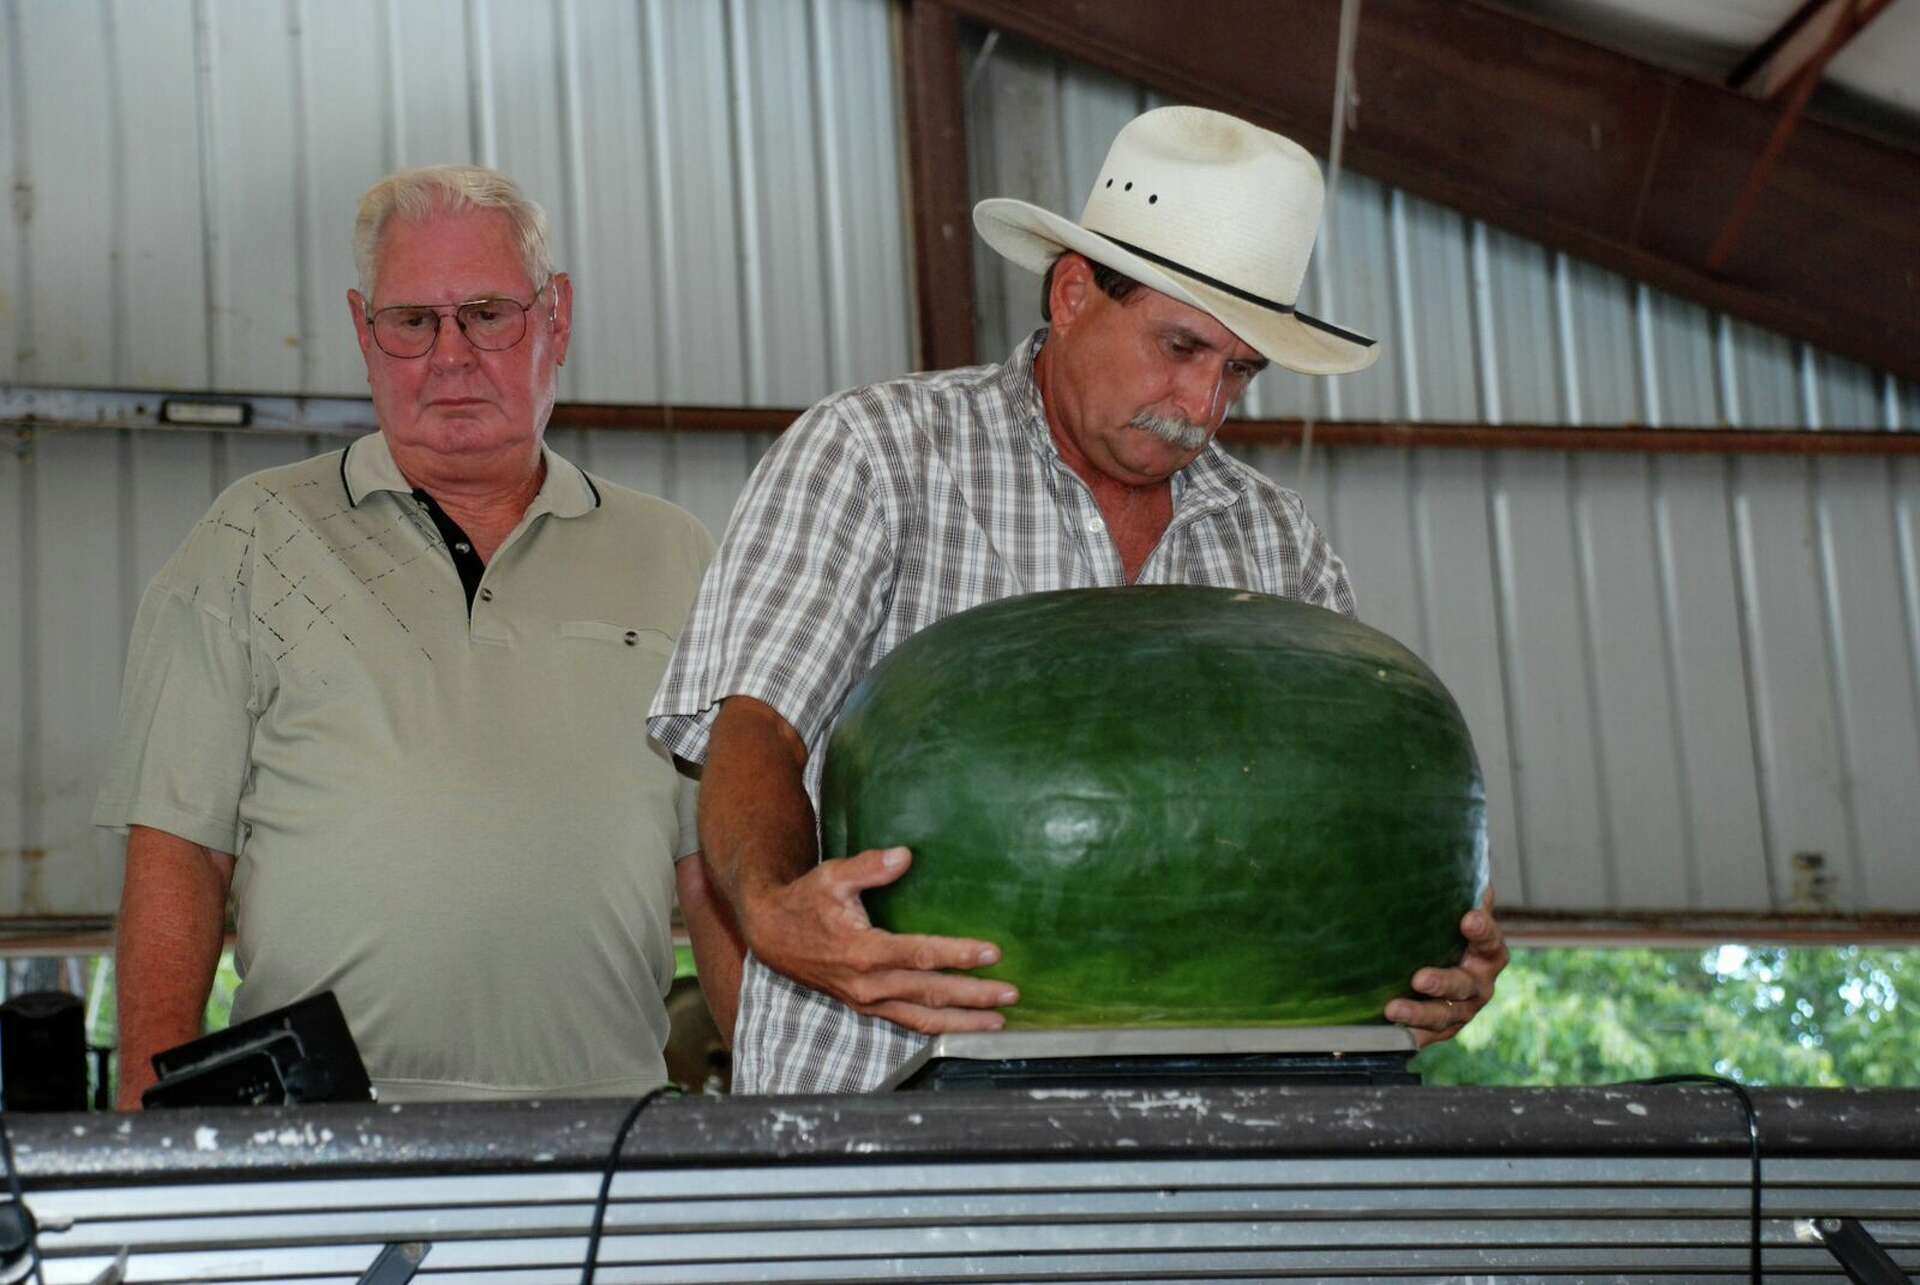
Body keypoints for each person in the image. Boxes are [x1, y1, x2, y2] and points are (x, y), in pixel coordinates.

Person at [648, 106, 1509, 1095]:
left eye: (1237, 370)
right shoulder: (876, 454)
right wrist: (771, 905)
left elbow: (1360, 808)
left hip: (1221, 1143)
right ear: (1071, 293)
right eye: (1181, 347)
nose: (1203, 407)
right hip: (891, 1143)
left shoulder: (1278, 542)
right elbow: (754, 727)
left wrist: (1434, 945)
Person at [96, 166, 740, 1106]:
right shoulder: (250, 539)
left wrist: (781, 1108)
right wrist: (149, 1132)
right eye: (412, 322)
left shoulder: (675, 553)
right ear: (364, 332)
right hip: (323, 1143)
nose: (450, 354)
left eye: (487, 314)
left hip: (607, 1139)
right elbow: (178, 853)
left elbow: (718, 866)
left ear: (556, 316)